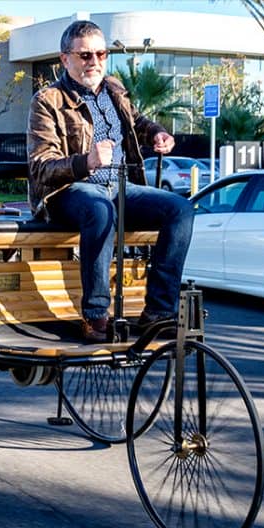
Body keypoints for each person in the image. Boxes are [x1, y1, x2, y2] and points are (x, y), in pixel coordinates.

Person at [27, 20, 194, 342]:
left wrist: (157, 133)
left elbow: (138, 122)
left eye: (101, 54)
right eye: (85, 55)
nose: (95, 62)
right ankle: (95, 315)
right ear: (65, 59)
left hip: (120, 187)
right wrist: (85, 162)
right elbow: (41, 166)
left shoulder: (114, 89)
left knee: (181, 209)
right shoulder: (48, 100)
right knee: (100, 209)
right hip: (68, 192)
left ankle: (159, 312)